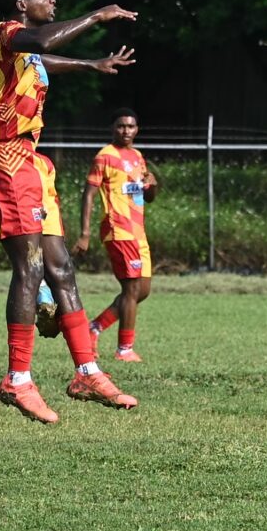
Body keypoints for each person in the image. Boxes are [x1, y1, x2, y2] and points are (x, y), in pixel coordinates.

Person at [0, 0, 140, 424]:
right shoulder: (2, 32)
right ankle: (18, 378)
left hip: (32, 161)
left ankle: (86, 371)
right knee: (28, 267)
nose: (52, 1)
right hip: (5, 157)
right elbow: (42, 44)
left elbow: (41, 59)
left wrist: (91, 64)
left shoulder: (21, 45)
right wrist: (97, 16)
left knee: (61, 268)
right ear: (21, 5)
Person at [72, 108, 158, 362]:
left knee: (142, 291)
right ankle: (125, 349)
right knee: (131, 288)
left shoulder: (137, 156)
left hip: (137, 231)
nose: (126, 131)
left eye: (130, 126)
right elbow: (88, 194)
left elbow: (148, 196)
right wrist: (85, 233)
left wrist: (153, 184)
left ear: (137, 129)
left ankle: (94, 327)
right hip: (118, 229)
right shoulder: (105, 157)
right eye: (121, 126)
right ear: (113, 128)